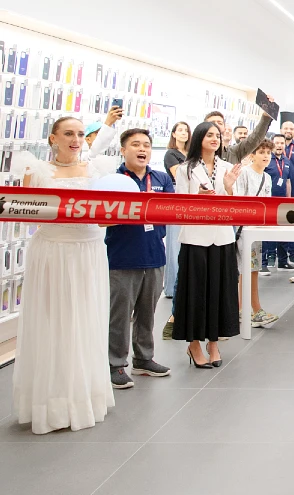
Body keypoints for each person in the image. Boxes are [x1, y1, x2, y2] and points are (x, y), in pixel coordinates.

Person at [11, 117, 117, 434]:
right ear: (53, 138)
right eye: (69, 133)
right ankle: (52, 401)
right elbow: (22, 212)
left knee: (83, 320)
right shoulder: (37, 171)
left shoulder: (96, 171)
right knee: (52, 321)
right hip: (52, 252)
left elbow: (106, 218)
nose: (76, 139)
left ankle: (82, 395)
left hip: (88, 253)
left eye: (81, 134)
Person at [107, 128, 175, 389]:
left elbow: (169, 211)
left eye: (146, 144)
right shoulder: (113, 180)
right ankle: (116, 363)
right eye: (135, 144)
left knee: (148, 312)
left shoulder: (160, 178)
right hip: (122, 255)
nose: (142, 149)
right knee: (121, 313)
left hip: (154, 253)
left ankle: (144, 358)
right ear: (123, 150)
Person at [172, 122, 243, 368]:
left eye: (218, 135)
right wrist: (197, 200)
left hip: (222, 237)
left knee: (219, 291)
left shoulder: (227, 167)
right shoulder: (185, 169)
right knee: (195, 292)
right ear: (199, 138)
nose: (215, 139)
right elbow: (180, 204)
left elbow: (234, 206)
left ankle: (214, 343)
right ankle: (193, 344)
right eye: (209, 135)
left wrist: (230, 187)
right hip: (195, 238)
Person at [235, 139, 280, 328]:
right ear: (252, 154)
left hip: (258, 230)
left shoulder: (267, 177)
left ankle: (251, 310)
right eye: (261, 152)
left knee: (253, 269)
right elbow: (239, 202)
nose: (265, 156)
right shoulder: (245, 173)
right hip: (244, 229)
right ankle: (247, 310)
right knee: (245, 270)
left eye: (268, 153)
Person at [264, 133, 294, 270]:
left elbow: (287, 182)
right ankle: (269, 258)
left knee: (282, 230)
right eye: (277, 143)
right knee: (269, 231)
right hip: (269, 202)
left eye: (282, 143)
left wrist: (289, 199)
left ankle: (282, 261)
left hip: (282, 202)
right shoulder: (267, 159)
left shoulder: (286, 161)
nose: (280, 146)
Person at [162, 121, 190, 305]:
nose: (183, 133)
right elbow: (178, 174)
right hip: (176, 198)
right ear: (173, 134)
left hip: (191, 198)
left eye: (186, 130)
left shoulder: (192, 153)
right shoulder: (170, 154)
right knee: (174, 244)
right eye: (180, 130)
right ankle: (172, 287)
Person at [202, 109, 274, 165]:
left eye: (220, 123)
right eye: (212, 122)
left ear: (224, 127)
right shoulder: (197, 153)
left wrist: (266, 116)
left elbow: (255, 138)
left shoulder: (234, 152)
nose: (216, 125)